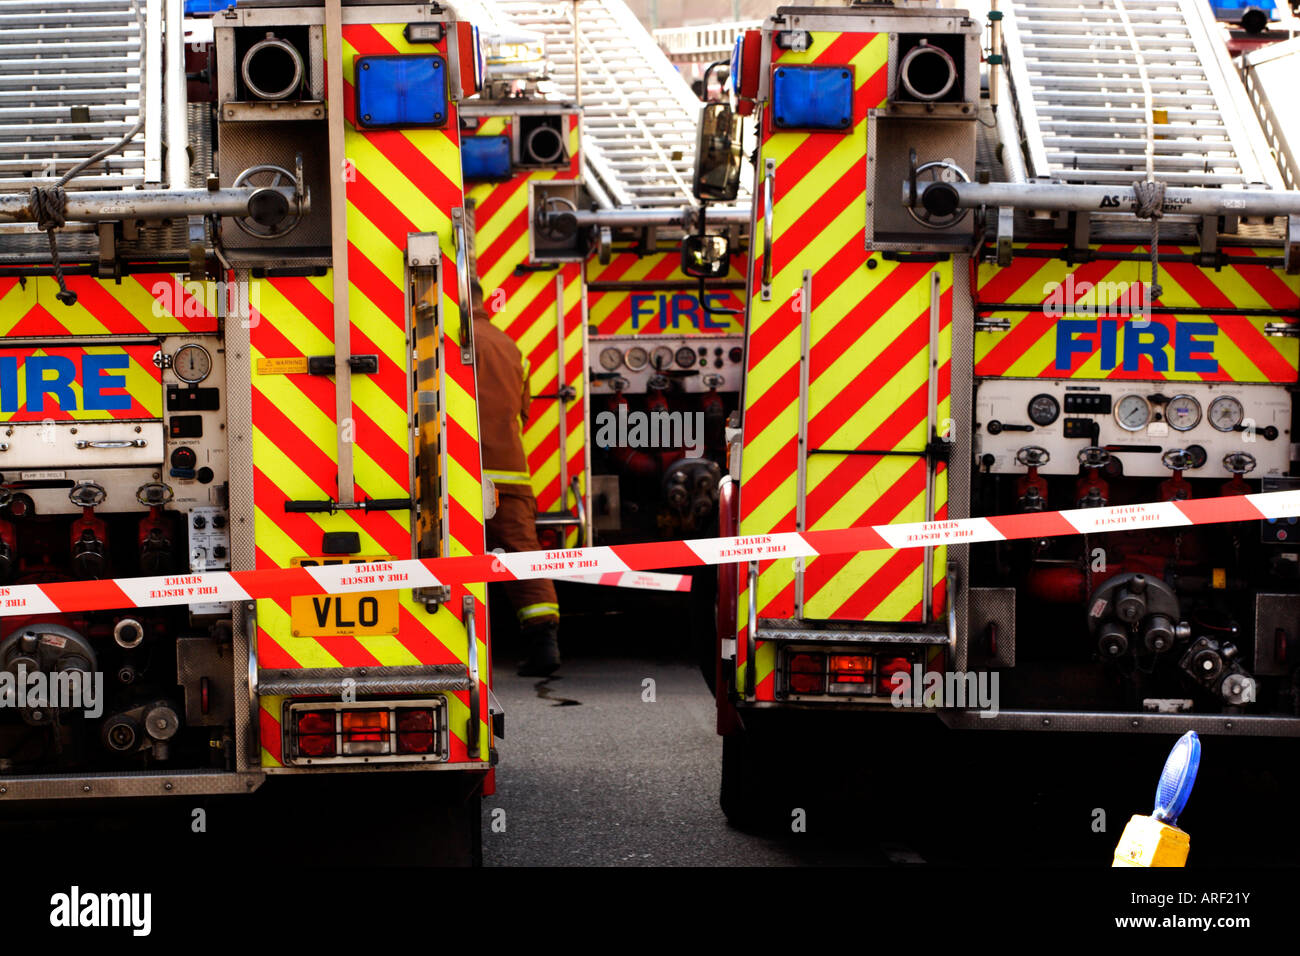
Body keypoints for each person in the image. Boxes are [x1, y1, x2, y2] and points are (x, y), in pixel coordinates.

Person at [471, 278, 562, 676]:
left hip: (459, 472)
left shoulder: (437, 340)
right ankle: (544, 644)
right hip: (508, 472)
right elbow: (522, 411)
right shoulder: (508, 346)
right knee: (522, 556)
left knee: (447, 558)